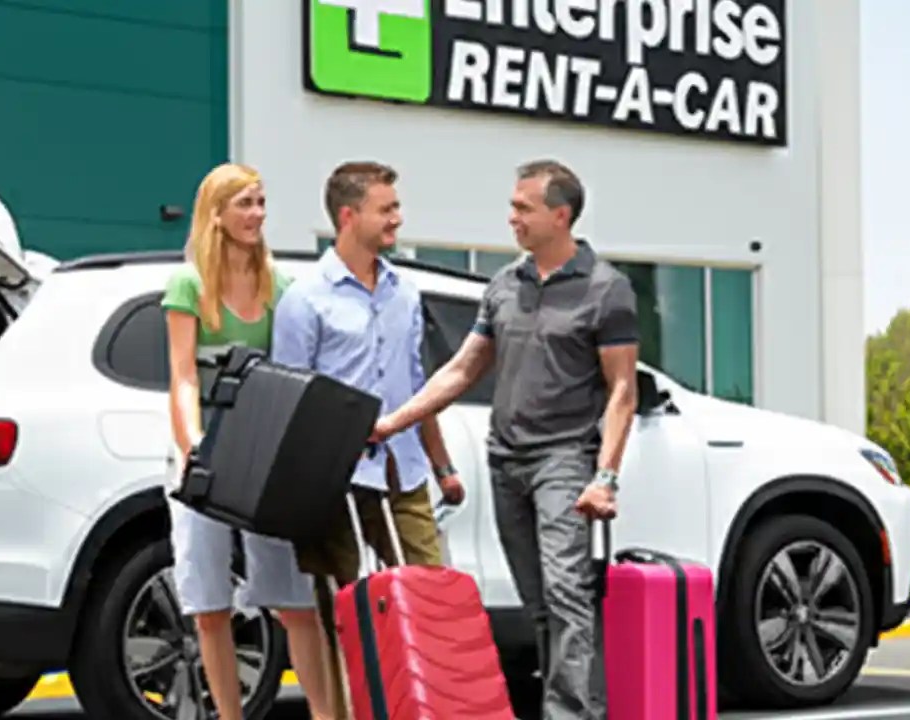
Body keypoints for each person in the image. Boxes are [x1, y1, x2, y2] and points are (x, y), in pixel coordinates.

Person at [369, 159, 639, 720]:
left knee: (568, 593)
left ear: (560, 215)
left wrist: (605, 477)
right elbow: (463, 369)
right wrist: (393, 422)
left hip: (564, 458)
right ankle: (572, 707)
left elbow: (623, 392)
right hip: (505, 458)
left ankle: (571, 715)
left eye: (523, 207)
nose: (511, 216)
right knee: (540, 603)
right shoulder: (503, 286)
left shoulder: (606, 289)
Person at [270, 160, 464, 717]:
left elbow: (415, 388)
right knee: (344, 611)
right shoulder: (305, 300)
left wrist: (443, 466)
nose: (398, 220)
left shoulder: (405, 293)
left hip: (402, 469)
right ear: (350, 216)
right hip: (336, 480)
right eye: (388, 209)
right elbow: (290, 398)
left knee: (429, 594)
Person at [162, 163, 334, 720]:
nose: (257, 214)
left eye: (261, 203)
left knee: (295, 600)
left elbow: (294, 370)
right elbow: (183, 375)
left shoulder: (279, 285)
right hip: (206, 449)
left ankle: (328, 713)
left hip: (262, 452)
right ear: (217, 213)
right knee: (209, 604)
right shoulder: (188, 285)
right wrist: (192, 450)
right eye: (245, 204)